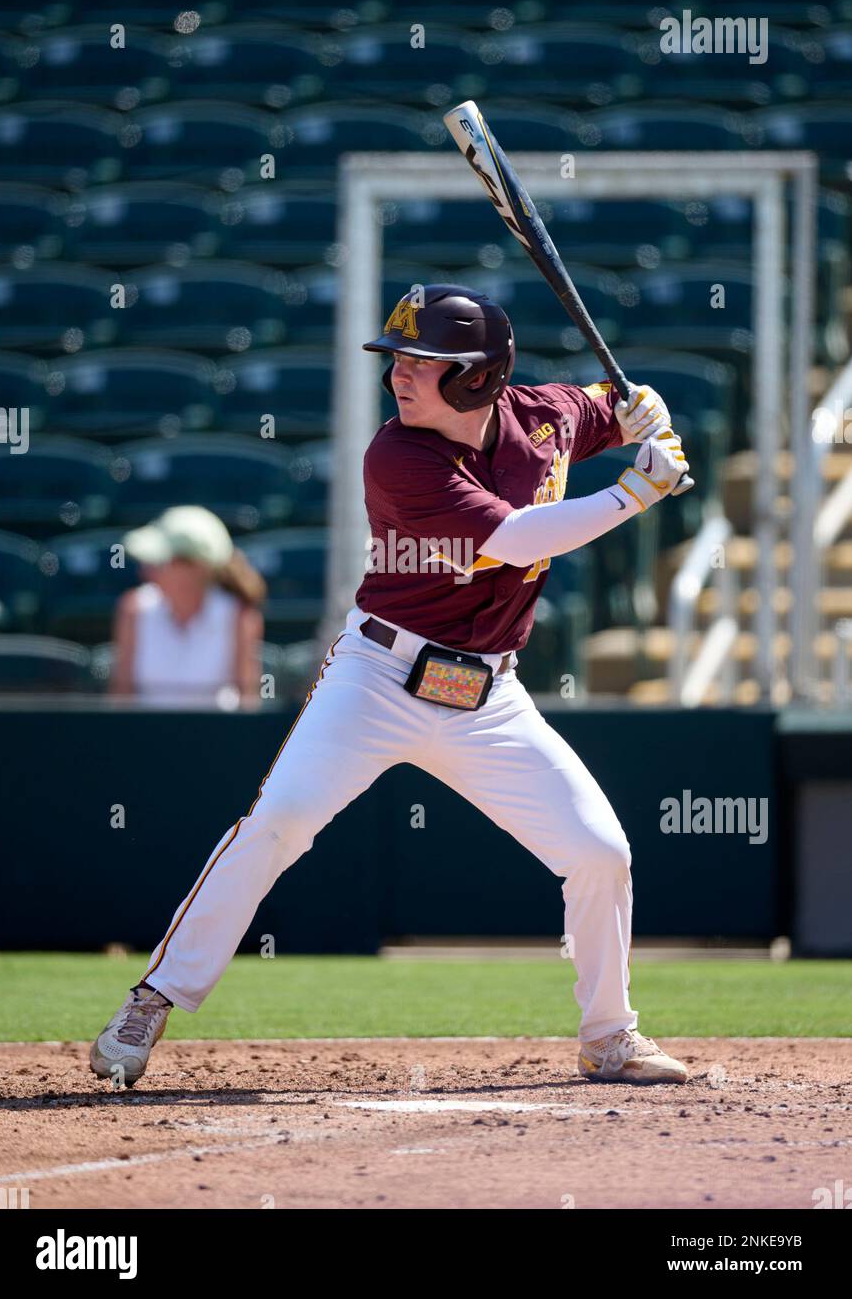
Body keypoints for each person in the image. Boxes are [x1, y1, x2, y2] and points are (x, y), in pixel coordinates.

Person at [91, 285, 690, 1088]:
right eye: (398, 361)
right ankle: (153, 997)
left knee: (599, 851)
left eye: (422, 363)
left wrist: (641, 407)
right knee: (280, 821)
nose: (399, 376)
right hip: (378, 675)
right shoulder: (397, 458)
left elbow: (608, 407)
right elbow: (514, 541)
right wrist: (633, 492)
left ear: (477, 378)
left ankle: (609, 1036)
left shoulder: (542, 414)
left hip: (489, 695)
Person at [110, 505, 265, 708]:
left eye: (161, 562)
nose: (147, 572)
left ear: (197, 568)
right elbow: (121, 702)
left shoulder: (239, 617)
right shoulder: (133, 610)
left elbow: (248, 704)